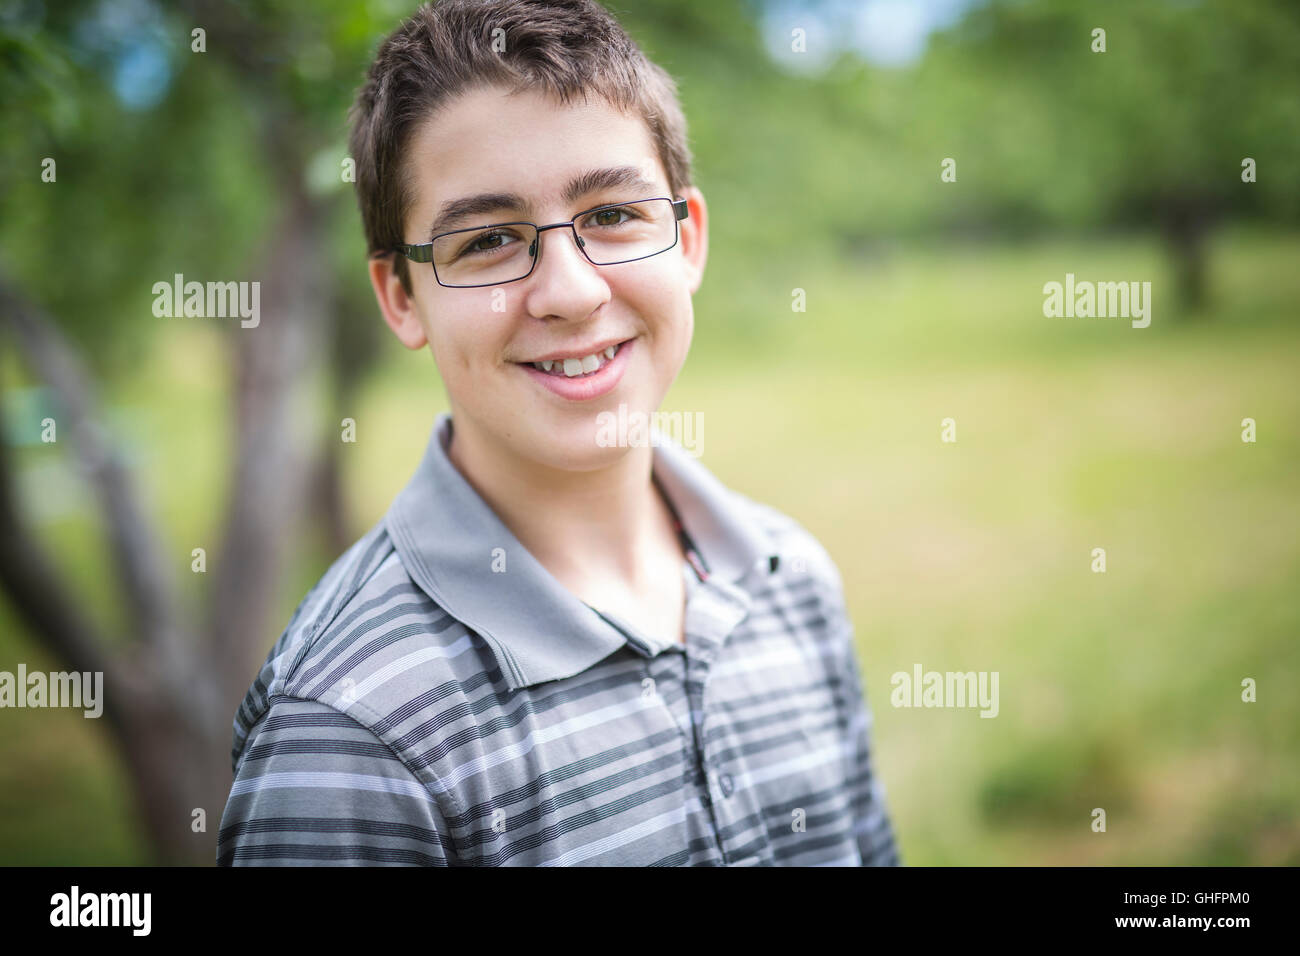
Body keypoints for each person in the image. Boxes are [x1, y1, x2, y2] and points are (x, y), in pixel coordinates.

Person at [216, 0, 899, 866]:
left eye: (613, 215)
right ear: (400, 297)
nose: (570, 293)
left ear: (687, 238)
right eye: (492, 240)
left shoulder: (791, 581)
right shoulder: (352, 727)